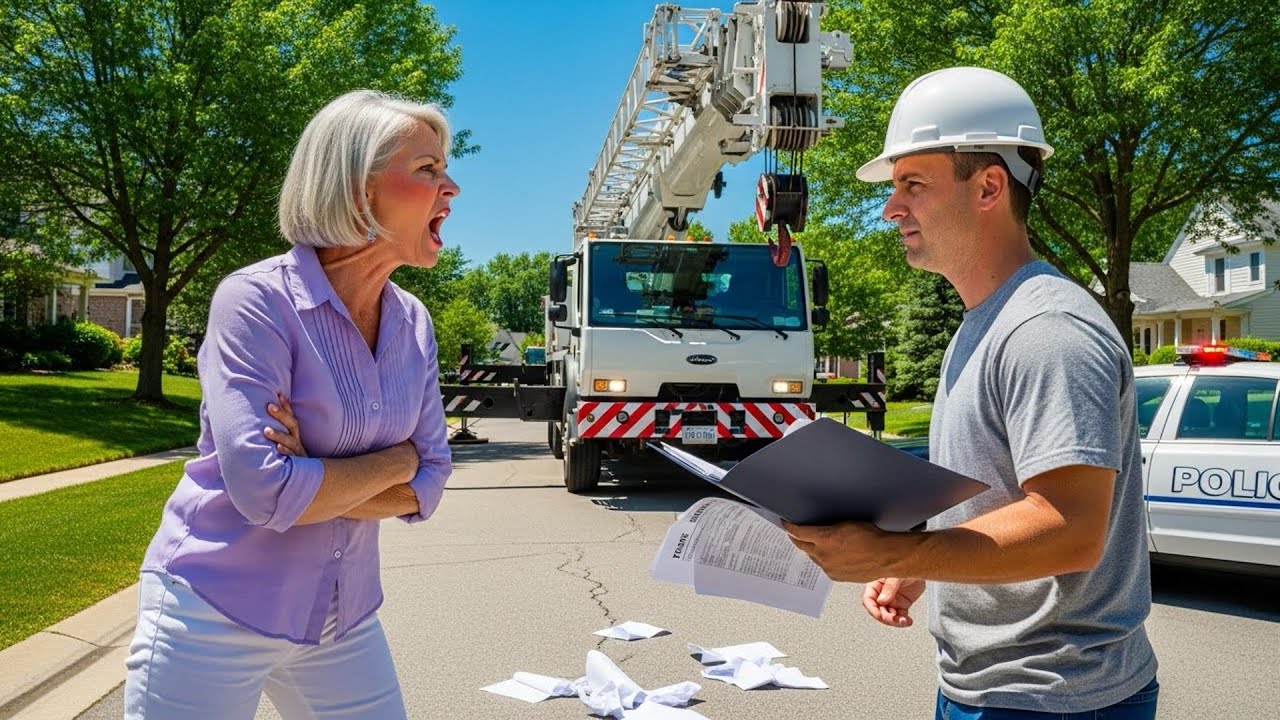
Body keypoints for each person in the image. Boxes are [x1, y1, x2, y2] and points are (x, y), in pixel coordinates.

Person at [784, 67, 1158, 718]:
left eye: (912, 184)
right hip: (987, 690)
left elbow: (1070, 530)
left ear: (989, 186)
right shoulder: (980, 325)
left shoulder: (1046, 330)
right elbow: (1002, 497)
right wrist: (925, 565)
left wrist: (900, 548)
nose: (890, 207)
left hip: (1055, 700)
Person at [124, 89, 460, 719]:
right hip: (213, 613)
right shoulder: (254, 302)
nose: (452, 187)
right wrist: (397, 459)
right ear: (359, 190)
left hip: (343, 618)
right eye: (428, 169)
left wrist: (319, 478)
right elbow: (264, 494)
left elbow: (433, 481)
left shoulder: (413, 321)